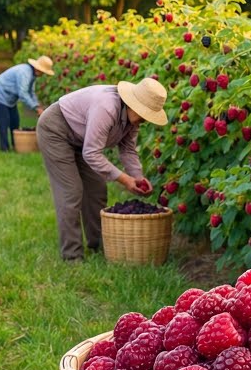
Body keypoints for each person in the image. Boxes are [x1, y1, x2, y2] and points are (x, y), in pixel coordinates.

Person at [36, 78, 167, 261]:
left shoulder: (133, 120)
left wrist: (137, 177)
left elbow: (128, 149)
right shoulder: (106, 107)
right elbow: (91, 153)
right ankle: (72, 256)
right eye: (145, 114)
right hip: (56, 130)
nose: (145, 120)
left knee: (97, 188)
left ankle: (98, 245)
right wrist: (124, 179)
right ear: (134, 105)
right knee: (71, 192)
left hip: (81, 139)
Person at [0, 55, 55, 151]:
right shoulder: (24, 73)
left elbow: (31, 92)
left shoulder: (32, 75)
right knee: (4, 121)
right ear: (38, 69)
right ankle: (4, 148)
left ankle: (17, 146)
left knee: (15, 121)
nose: (43, 74)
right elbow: (23, 94)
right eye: (44, 72)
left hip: (10, 97)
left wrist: (37, 105)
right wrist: (36, 108)